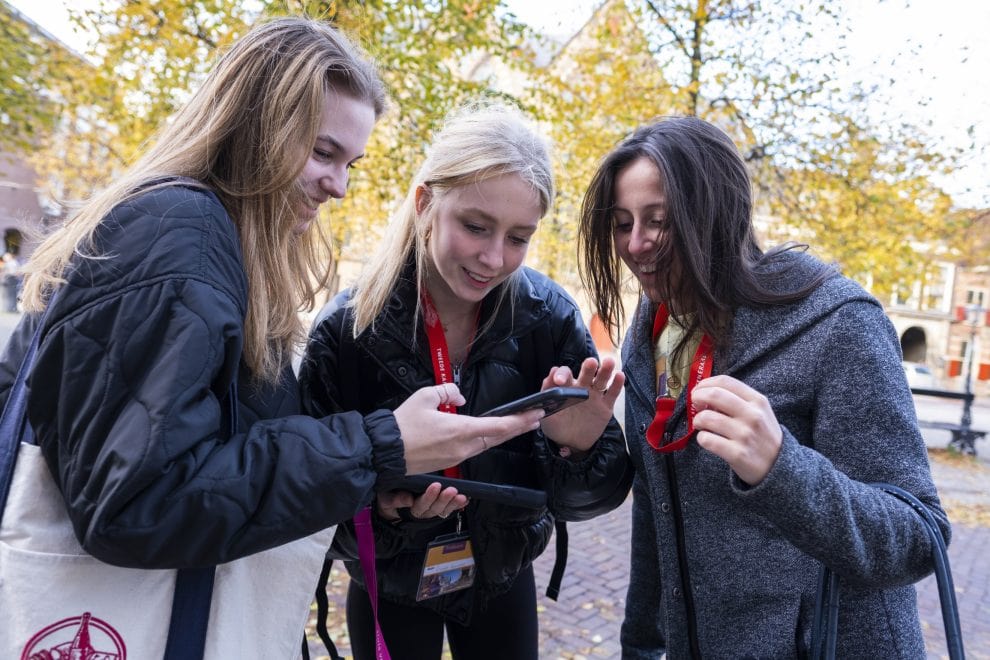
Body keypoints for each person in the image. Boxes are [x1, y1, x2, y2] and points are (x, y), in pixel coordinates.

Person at [0, 17, 543, 654]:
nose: (339, 186)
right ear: (254, 125)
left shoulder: (202, 239)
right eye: (322, 153)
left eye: (350, 163)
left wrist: (376, 485)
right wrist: (377, 446)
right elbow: (134, 502)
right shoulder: (179, 239)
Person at [577, 116, 949, 659]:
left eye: (659, 221)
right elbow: (657, 517)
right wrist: (640, 646)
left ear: (717, 214)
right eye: (621, 223)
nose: (636, 244)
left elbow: (919, 538)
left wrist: (782, 468)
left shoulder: (839, 323)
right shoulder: (646, 337)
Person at [299, 104, 634, 660]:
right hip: (389, 581)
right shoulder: (347, 330)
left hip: (500, 578)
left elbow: (587, 499)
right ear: (425, 204)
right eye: (476, 227)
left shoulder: (548, 317)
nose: (493, 258)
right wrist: (386, 512)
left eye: (519, 237)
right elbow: (307, 505)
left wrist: (576, 449)